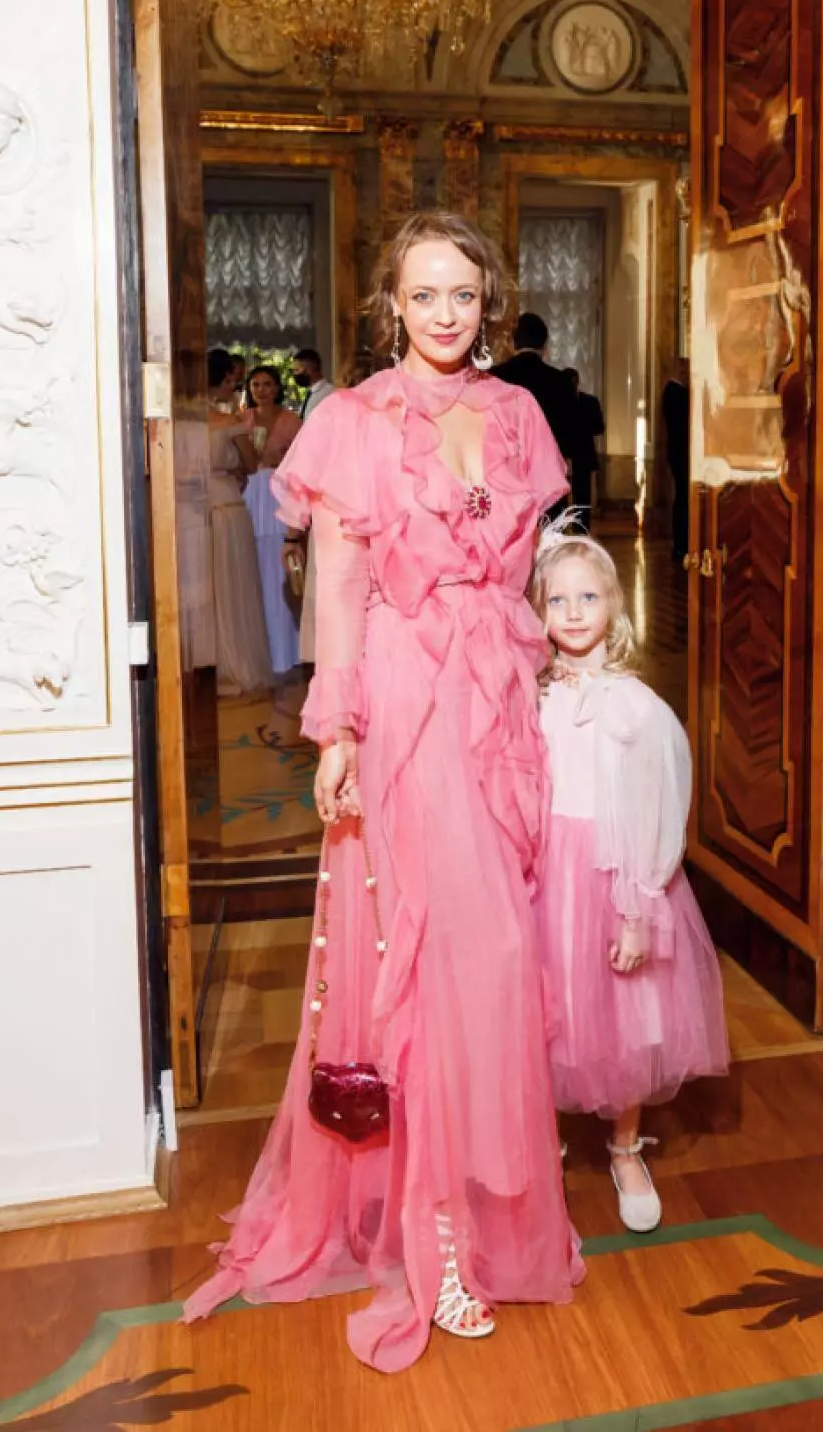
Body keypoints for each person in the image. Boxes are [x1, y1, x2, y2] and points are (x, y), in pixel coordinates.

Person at [185, 213, 583, 1370]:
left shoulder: (516, 414)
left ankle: (488, 1202)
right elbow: (344, 590)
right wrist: (337, 728)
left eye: (464, 293)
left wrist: (555, 676)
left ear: (489, 300)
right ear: (389, 305)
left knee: (500, 954)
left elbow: (521, 571)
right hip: (406, 704)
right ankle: (436, 1237)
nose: (447, 314)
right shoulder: (353, 420)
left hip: (497, 700)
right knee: (432, 956)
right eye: (425, 295)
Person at [531, 526, 728, 1233]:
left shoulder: (636, 707)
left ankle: (623, 1147)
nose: (575, 611)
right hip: (546, 879)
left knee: (624, 1015)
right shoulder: (531, 699)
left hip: (616, 880)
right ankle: (541, 1145)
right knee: (549, 1010)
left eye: (589, 596)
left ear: (614, 605)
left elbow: (657, 805)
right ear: (538, 609)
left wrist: (639, 903)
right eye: (559, 599)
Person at [206, 350, 274, 698]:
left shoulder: (181, 421)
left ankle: (211, 663)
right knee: (235, 586)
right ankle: (239, 663)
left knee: (208, 590)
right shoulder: (230, 423)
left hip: (194, 509)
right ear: (225, 380)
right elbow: (251, 463)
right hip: (228, 506)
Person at [241, 365, 303, 675]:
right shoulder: (242, 418)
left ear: (277, 387)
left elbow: (304, 460)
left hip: (279, 493)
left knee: (279, 570)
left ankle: (287, 650)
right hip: (252, 492)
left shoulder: (291, 420)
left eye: (267, 384)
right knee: (254, 567)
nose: (261, 390)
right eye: (255, 385)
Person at [494, 312, 575, 482]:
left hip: (505, 472)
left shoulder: (494, 377)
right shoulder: (562, 381)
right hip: (547, 472)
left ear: (512, 343)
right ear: (545, 345)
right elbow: (568, 431)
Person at [562, 367, 604, 531]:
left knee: (583, 496)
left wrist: (581, 426)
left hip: (583, 456)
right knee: (559, 496)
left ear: (578, 382)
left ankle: (582, 528)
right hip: (562, 455)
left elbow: (599, 427)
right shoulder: (557, 403)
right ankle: (562, 527)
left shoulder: (590, 401)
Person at [661, 359, 691, 563]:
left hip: (678, 451)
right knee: (683, 499)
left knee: (682, 497)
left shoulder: (672, 391)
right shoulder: (677, 392)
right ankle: (682, 543)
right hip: (682, 452)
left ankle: (681, 543)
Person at [294, 347, 334, 421]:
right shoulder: (310, 394)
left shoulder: (329, 392)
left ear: (310, 368)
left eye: (297, 369)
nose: (295, 374)